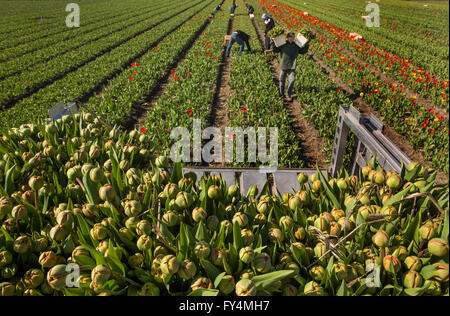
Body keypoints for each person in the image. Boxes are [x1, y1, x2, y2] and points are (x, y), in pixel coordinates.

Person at [267, 32, 309, 101]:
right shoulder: (283, 44)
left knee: (292, 80)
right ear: (287, 37)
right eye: (290, 37)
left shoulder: (296, 45)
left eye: (292, 37)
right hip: (284, 65)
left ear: (294, 38)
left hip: (292, 66)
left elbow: (302, 51)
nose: (291, 39)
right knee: (281, 80)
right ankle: (281, 93)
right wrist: (273, 42)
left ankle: (288, 94)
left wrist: (306, 44)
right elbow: (275, 50)